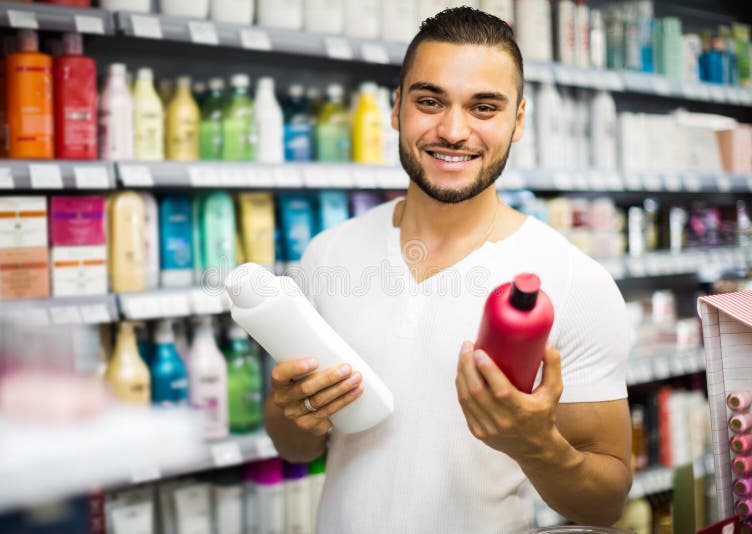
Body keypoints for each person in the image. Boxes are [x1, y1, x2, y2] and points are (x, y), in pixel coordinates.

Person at [264, 7, 632, 533]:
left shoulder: (574, 283)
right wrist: (291, 413)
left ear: (518, 121)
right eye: (430, 101)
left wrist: (539, 447)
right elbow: (294, 447)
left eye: (484, 107)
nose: (453, 131)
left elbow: (605, 503)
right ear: (396, 109)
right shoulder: (329, 255)